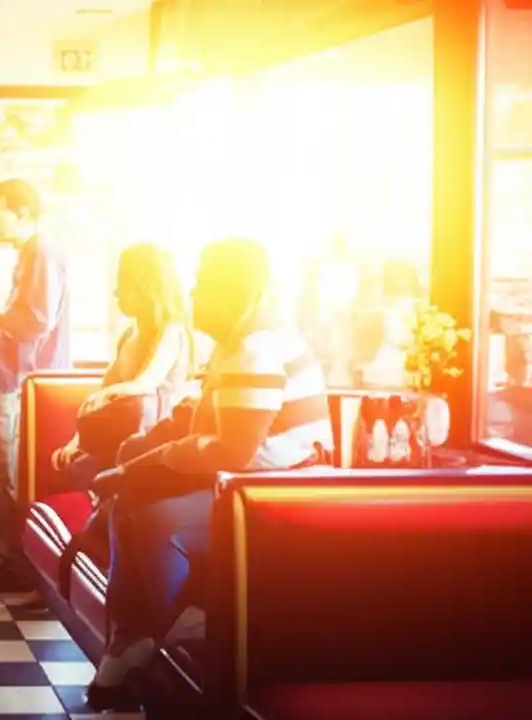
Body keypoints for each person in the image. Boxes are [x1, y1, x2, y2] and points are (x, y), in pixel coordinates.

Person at [83, 238, 332, 711]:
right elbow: (200, 419)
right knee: (127, 502)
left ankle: (178, 630)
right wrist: (143, 451)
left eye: (202, 283)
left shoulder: (255, 347)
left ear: (233, 290)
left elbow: (232, 449)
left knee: (156, 520)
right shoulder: (238, 341)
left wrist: (140, 464)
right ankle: (134, 638)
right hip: (246, 483)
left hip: (278, 497)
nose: (193, 292)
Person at [0, 179, 71, 593]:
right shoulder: (32, 253)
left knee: (5, 474)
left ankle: (14, 563)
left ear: (21, 212)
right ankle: (5, 559)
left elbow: (37, 320)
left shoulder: (42, 250)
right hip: (14, 380)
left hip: (25, 384)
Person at [50, 243, 195, 489]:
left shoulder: (171, 331)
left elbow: (146, 383)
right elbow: (104, 390)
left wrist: (107, 395)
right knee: (73, 469)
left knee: (88, 475)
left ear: (145, 287)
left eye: (124, 283)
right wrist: (76, 442)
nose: (116, 292)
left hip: (155, 442)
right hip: (123, 437)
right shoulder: (129, 334)